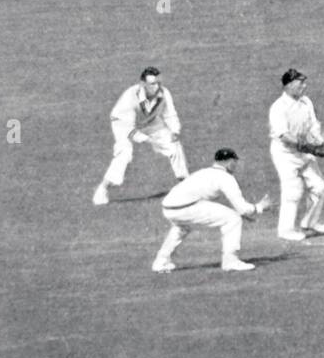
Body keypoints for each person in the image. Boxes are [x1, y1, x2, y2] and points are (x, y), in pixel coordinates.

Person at [152, 148, 271, 273]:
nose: (236, 165)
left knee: (181, 228)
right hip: (186, 207)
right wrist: (260, 207)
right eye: (235, 162)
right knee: (233, 219)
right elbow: (243, 208)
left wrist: (242, 212)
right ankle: (231, 261)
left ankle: (161, 262)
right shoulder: (226, 178)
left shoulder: (205, 172)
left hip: (168, 208)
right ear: (229, 162)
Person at [92, 67, 189, 205]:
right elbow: (129, 129)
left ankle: (185, 185)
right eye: (153, 84)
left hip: (151, 122)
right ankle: (103, 189)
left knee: (173, 144)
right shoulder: (130, 97)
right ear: (143, 84)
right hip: (123, 124)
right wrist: (147, 139)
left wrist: (175, 131)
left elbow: (170, 114)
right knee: (124, 153)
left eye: (159, 82)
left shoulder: (164, 93)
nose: (157, 87)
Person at [268, 69, 324, 241]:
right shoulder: (278, 108)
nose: (304, 87)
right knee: (293, 191)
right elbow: (283, 135)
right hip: (285, 155)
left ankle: (309, 223)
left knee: (320, 186)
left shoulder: (306, 102)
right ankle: (285, 230)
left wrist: (321, 142)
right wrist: (308, 147)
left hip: (304, 152)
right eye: (300, 84)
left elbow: (313, 126)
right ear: (289, 85)